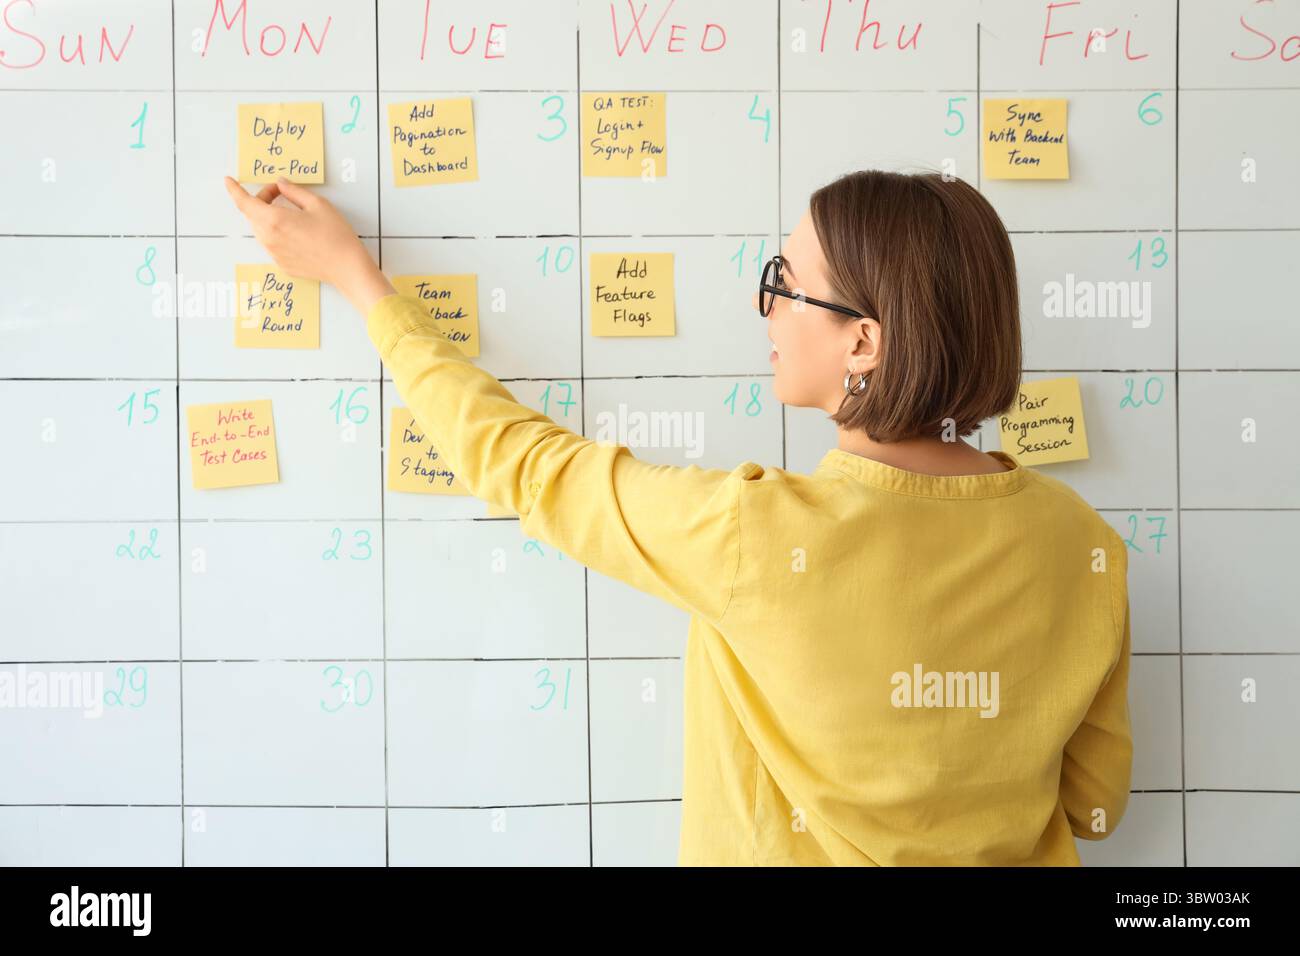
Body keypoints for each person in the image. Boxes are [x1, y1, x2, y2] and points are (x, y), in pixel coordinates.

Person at [224, 168, 1133, 866]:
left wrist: (357, 281)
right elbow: (1097, 798)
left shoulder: (754, 535)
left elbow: (523, 465)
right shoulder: (1085, 547)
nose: (764, 304)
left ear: (864, 339)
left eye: (786, 281)